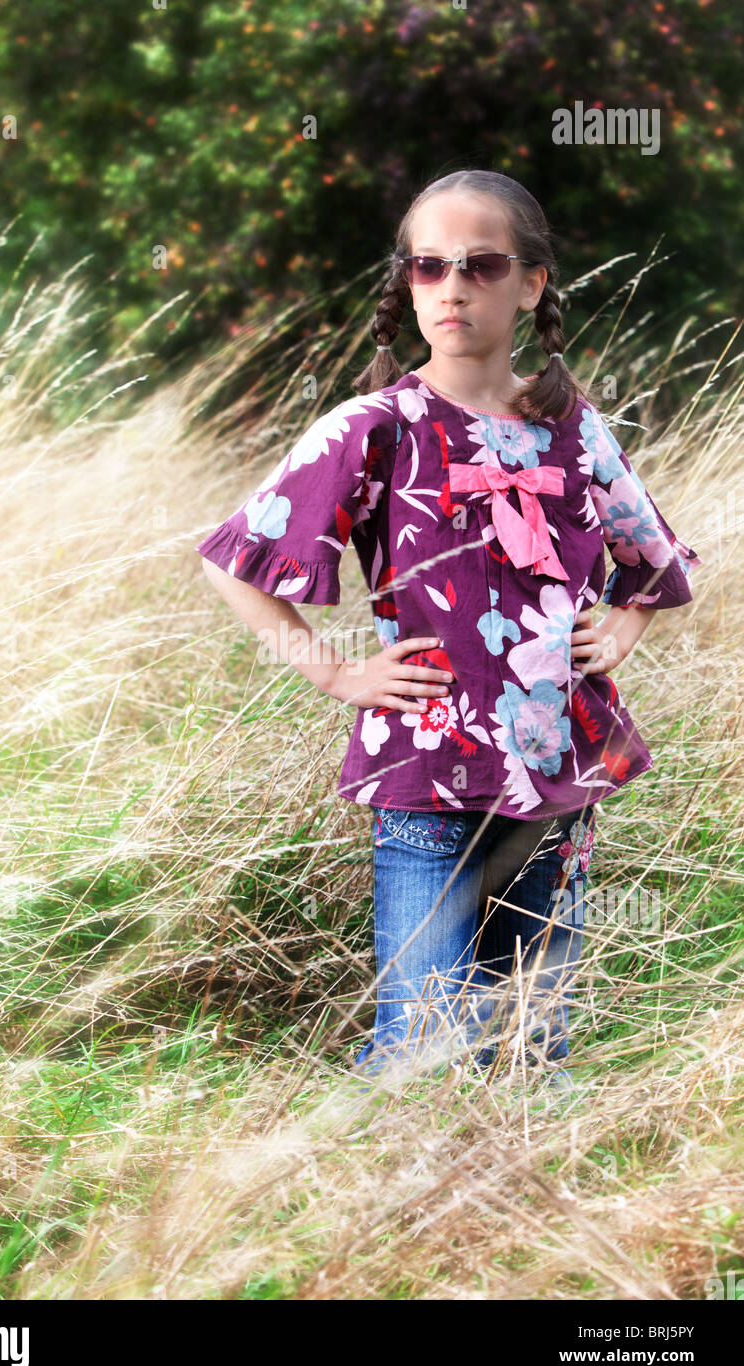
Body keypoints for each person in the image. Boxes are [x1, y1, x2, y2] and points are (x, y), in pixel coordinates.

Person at [195, 169, 702, 1090]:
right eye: (429, 266)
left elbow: (653, 558)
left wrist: (623, 629)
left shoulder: (574, 433)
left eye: (482, 263)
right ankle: (382, 1191)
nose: (454, 286)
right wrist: (338, 675)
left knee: (532, 1039)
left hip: (554, 772)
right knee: (424, 1033)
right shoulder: (375, 427)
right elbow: (236, 562)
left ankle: (525, 1210)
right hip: (427, 775)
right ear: (409, 284)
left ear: (532, 283)